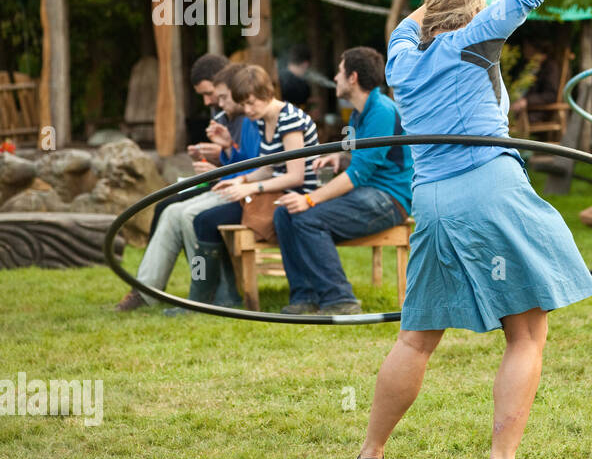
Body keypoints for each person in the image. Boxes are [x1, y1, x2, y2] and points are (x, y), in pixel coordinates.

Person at [353, 0, 592, 459]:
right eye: (478, 2)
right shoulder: (472, 40)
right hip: (488, 186)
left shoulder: (402, 64)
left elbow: (406, 29)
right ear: (469, 13)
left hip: (431, 202)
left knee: (416, 338)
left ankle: (371, 452)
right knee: (527, 333)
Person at [272, 47, 413, 316]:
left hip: (390, 198)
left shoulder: (381, 110)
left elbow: (358, 174)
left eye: (339, 71)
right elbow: (358, 157)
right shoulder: (359, 112)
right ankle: (305, 296)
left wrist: (309, 198)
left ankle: (340, 298)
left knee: (308, 217)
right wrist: (339, 157)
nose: (334, 77)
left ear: (352, 77)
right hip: (370, 190)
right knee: (284, 214)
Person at [115, 58, 259, 312]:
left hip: (250, 192)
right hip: (230, 182)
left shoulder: (252, 116)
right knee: (169, 209)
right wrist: (222, 153)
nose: (214, 104)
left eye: (215, 96)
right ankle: (150, 291)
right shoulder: (234, 113)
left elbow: (258, 166)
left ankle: (207, 293)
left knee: (189, 214)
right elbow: (243, 158)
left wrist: (220, 164)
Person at [189, 64, 320, 306]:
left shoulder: (289, 119)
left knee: (205, 221)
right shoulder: (263, 119)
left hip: (294, 196)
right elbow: (269, 167)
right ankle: (206, 295)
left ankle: (207, 298)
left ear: (266, 93)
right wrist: (240, 179)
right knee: (203, 220)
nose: (247, 110)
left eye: (251, 103)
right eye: (243, 104)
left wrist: (251, 188)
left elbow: (295, 176)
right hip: (272, 193)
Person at [508, 38, 561, 125]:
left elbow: (551, 95)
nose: (524, 50)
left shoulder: (550, 67)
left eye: (527, 47)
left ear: (535, 48)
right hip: (514, 107)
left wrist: (526, 101)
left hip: (533, 111)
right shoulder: (525, 65)